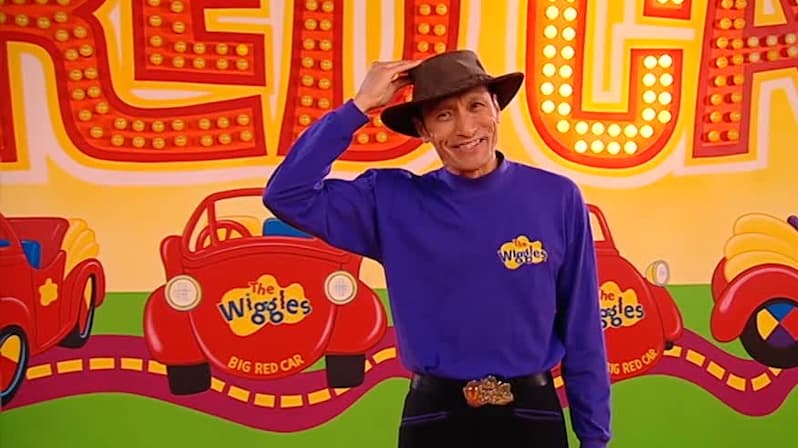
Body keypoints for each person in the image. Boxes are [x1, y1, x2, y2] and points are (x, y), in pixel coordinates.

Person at [263, 49, 612, 448]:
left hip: (532, 415)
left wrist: (594, 438)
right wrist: (358, 108)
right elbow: (287, 194)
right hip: (434, 418)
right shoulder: (390, 200)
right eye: (444, 115)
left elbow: (583, 326)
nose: (466, 128)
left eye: (476, 106)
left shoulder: (556, 197)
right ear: (423, 128)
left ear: (496, 108)